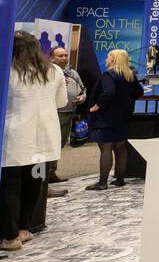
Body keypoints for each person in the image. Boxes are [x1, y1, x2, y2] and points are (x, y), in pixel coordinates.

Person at [0, 31, 66, 251]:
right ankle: (25, 229)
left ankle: (10, 236)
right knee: (34, 183)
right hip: (44, 140)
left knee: (11, 186)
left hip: (15, 139)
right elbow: (62, 101)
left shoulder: (7, 71)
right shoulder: (54, 71)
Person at [85, 48, 145, 191]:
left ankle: (102, 183)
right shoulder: (129, 75)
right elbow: (139, 92)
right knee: (120, 147)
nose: (106, 60)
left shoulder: (109, 75)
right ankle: (120, 179)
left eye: (108, 57)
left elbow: (109, 93)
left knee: (106, 148)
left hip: (106, 117)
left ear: (113, 59)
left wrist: (97, 105)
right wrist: (125, 102)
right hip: (123, 117)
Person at [45, 46, 85, 192]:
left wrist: (82, 97)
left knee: (60, 143)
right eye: (60, 56)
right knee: (52, 144)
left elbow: (82, 88)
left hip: (70, 112)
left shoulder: (72, 73)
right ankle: (46, 175)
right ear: (52, 58)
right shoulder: (49, 72)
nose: (64, 58)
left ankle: (51, 172)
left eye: (65, 55)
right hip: (55, 113)